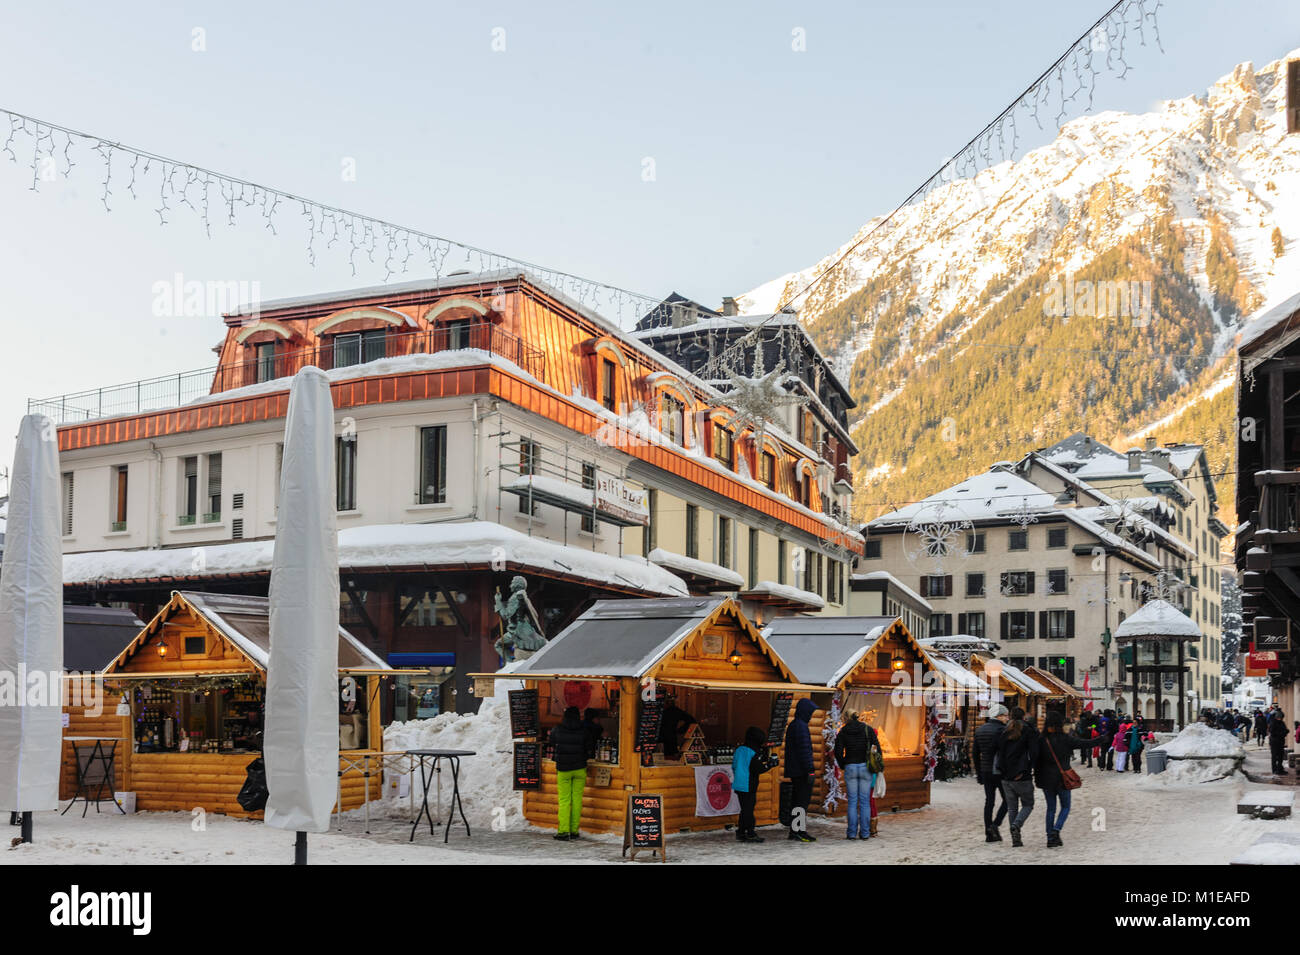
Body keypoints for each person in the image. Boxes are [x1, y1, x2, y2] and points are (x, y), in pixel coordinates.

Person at [1035, 711, 1096, 847]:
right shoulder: (1065, 738)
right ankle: (1056, 830)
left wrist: (1037, 778)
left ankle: (1050, 838)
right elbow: (1083, 743)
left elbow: (1036, 760)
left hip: (1046, 779)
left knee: (1050, 808)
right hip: (1063, 779)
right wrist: (1100, 740)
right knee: (1066, 807)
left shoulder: (1041, 739)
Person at [995, 706, 1040, 847]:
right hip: (1022, 775)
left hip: (1005, 776)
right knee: (1028, 804)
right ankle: (1016, 825)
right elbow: (1034, 753)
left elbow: (999, 753)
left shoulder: (1004, 731)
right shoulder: (1028, 731)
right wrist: (1030, 768)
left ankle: (1015, 838)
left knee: (1012, 807)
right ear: (1024, 717)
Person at [549, 706, 595, 840]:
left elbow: (551, 742)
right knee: (577, 800)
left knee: (564, 800)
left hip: (563, 769)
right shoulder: (584, 730)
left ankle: (563, 831)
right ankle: (574, 831)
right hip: (580, 768)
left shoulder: (557, 729)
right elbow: (590, 747)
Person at [833, 709, 880, 840]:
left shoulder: (843, 731)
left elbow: (837, 751)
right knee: (865, 802)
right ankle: (865, 833)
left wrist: (843, 764)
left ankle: (851, 833)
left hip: (850, 767)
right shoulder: (867, 729)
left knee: (852, 802)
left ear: (846, 718)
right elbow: (877, 748)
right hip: (865, 767)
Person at [971, 703, 1010, 842]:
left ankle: (988, 833)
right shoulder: (1003, 730)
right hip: (999, 771)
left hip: (985, 770)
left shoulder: (980, 730)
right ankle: (995, 825)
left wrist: (978, 771)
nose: (1007, 718)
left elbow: (975, 753)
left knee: (989, 802)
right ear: (999, 716)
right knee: (1008, 800)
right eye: (1005, 715)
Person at [783, 697, 818, 842]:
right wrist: (810, 770)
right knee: (801, 802)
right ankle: (798, 831)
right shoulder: (801, 727)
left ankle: (796, 830)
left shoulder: (795, 725)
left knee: (797, 801)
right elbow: (804, 751)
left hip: (796, 770)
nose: (811, 715)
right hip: (801, 771)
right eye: (810, 712)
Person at [732, 726, 772, 843]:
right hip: (749, 784)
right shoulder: (754, 751)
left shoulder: (739, 749)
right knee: (749, 809)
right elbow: (758, 768)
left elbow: (734, 765)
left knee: (744, 809)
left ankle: (741, 832)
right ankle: (750, 832)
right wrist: (769, 765)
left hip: (739, 783)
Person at [658, 695, 695, 759]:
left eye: (670, 701)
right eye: (668, 701)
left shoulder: (674, 711)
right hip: (665, 739)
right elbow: (691, 720)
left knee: (669, 757)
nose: (668, 702)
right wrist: (680, 730)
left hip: (668, 739)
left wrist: (680, 730)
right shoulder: (665, 711)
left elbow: (691, 720)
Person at [1269, 708, 1290, 776]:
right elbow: (1272, 732)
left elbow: (1285, 730)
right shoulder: (1273, 723)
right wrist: (1282, 733)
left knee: (1280, 756)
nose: (1280, 719)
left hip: (1281, 741)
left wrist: (1286, 731)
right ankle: (1275, 769)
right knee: (1275, 756)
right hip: (1274, 742)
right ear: (1277, 717)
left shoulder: (1282, 723)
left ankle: (1280, 769)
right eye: (1279, 717)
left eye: (1281, 718)